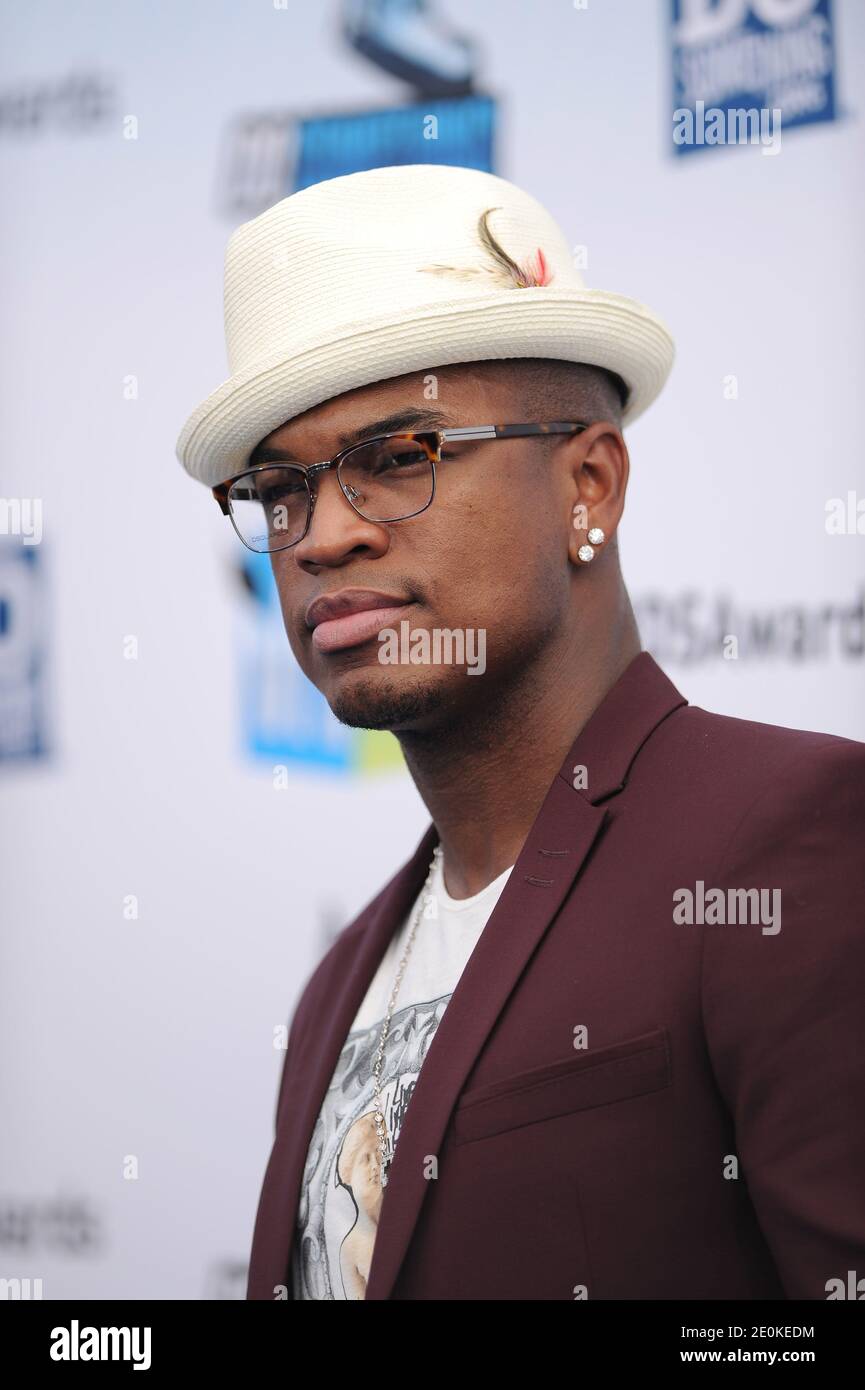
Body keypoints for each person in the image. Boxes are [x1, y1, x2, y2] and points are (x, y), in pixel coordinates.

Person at [176, 163, 865, 1301]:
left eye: (398, 456)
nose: (320, 537)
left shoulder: (795, 841)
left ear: (589, 484)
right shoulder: (338, 986)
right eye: (279, 488)